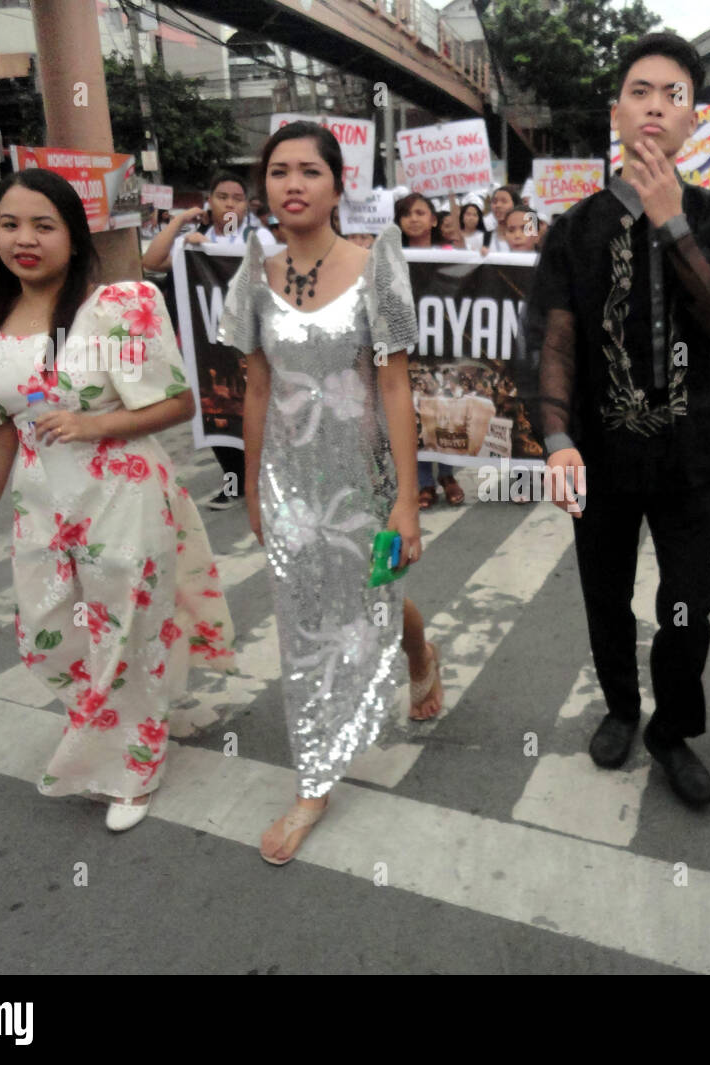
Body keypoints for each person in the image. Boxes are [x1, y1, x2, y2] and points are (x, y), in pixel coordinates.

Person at [0, 168, 236, 832]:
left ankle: (132, 761)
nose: (26, 238)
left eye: (44, 225)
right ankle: (123, 718)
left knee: (125, 632)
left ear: (73, 237)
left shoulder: (116, 308)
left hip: (124, 498)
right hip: (42, 505)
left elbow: (178, 401)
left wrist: (96, 424)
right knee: (49, 635)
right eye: (11, 224)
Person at [526, 32, 710, 808]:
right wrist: (558, 440)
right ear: (617, 109)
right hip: (602, 453)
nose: (657, 105)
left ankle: (672, 730)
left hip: (688, 453)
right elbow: (555, 339)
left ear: (694, 119)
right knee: (606, 592)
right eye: (642, 91)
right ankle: (622, 706)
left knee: (688, 600)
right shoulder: (575, 228)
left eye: (674, 94)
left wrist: (671, 220)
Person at [219, 122, 445, 866]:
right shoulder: (254, 274)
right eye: (278, 171)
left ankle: (418, 653)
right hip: (289, 481)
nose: (292, 184)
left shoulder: (378, 265)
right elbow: (255, 386)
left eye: (309, 171)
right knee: (304, 620)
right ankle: (313, 777)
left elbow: (393, 381)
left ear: (339, 185)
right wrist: (253, 482)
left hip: (364, 477)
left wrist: (407, 498)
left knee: (376, 590)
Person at [142, 172, 278, 512]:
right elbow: (151, 261)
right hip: (206, 345)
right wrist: (181, 224)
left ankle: (263, 479)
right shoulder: (194, 238)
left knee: (255, 412)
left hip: (248, 344)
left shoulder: (257, 236)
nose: (230, 203)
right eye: (222, 197)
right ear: (209, 203)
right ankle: (233, 481)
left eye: (237, 197)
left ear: (247, 206)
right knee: (216, 414)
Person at [396, 192, 465, 507]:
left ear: (434, 220)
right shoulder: (392, 256)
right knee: (413, 413)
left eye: (420, 212)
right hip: (406, 346)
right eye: (407, 213)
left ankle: (447, 474)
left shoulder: (449, 252)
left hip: (442, 344)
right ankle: (424, 482)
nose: (413, 219)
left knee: (444, 409)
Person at [484, 184, 520, 253]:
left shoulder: (525, 237)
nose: (498, 205)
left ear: (515, 205)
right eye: (494, 201)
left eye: (504, 201)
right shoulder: (485, 237)